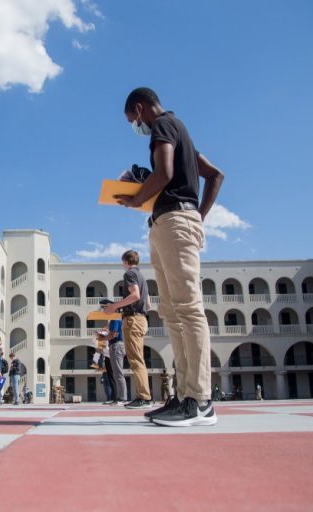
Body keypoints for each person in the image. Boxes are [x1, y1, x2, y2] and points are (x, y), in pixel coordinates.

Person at [116, 87, 224, 427]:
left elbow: (163, 174)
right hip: (171, 220)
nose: (137, 126)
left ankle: (200, 399)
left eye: (134, 120)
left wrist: (135, 200)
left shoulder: (163, 124)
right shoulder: (182, 133)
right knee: (174, 311)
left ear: (140, 107)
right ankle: (184, 395)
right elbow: (213, 175)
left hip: (174, 221)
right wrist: (197, 215)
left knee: (187, 309)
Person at [104, 250, 151, 409]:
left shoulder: (129, 274)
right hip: (142, 318)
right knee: (139, 359)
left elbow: (135, 295)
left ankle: (143, 398)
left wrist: (114, 307)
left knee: (136, 360)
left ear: (125, 261)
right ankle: (144, 396)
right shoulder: (143, 277)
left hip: (133, 319)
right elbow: (148, 303)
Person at [101, 320, 126, 405]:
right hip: (115, 346)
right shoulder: (115, 319)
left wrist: (102, 338)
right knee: (116, 374)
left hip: (116, 346)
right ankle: (119, 397)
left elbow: (113, 334)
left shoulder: (115, 319)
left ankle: (122, 398)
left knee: (118, 374)